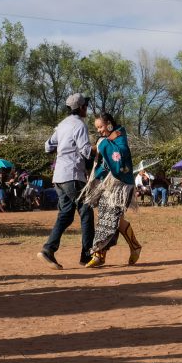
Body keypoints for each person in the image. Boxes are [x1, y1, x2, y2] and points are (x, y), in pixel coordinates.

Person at [37, 93, 96, 269]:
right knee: (86, 211)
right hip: (72, 175)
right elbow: (86, 151)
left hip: (59, 177)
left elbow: (48, 146)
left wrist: (63, 147)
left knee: (66, 214)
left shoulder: (62, 125)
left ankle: (48, 250)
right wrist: (100, 146)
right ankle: (86, 255)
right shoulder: (79, 125)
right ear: (82, 107)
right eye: (86, 105)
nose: (87, 108)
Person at [81, 112, 141, 268]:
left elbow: (120, 155)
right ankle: (134, 247)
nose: (99, 130)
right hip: (107, 185)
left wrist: (103, 144)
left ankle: (99, 255)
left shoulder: (120, 135)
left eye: (101, 126)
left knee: (109, 218)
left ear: (109, 123)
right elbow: (100, 156)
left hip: (121, 185)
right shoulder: (106, 140)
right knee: (112, 219)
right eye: (97, 128)